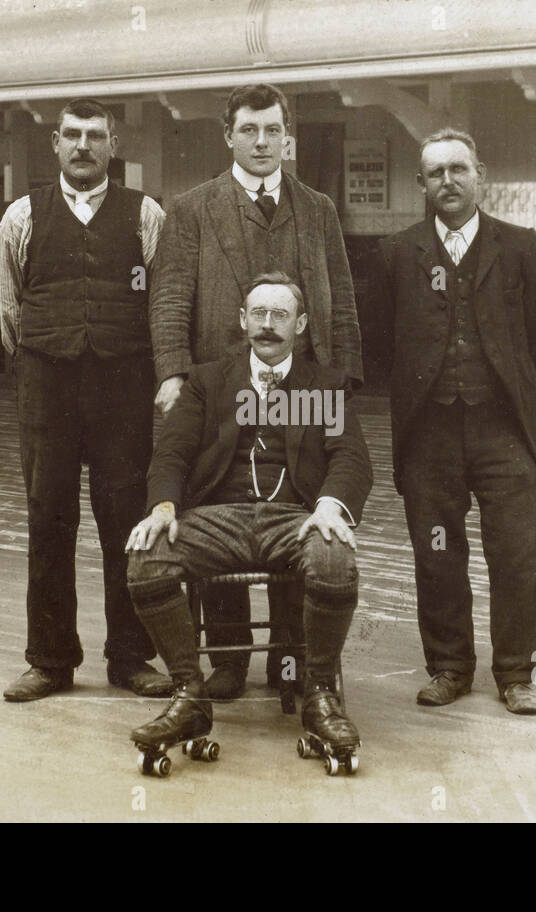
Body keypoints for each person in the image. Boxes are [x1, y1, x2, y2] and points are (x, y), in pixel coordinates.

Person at [149, 83, 364, 699]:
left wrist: (341, 382)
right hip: (218, 392)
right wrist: (171, 373)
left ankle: (291, 663)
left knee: (294, 497)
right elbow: (168, 298)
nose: (262, 141)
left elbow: (341, 301)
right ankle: (229, 663)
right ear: (229, 136)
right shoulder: (192, 208)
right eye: (249, 130)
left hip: (302, 390)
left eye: (272, 130)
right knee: (223, 491)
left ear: (287, 137)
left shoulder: (318, 207)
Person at [125, 273, 372, 760]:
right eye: (258, 314)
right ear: (242, 320)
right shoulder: (208, 380)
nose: (267, 325)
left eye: (280, 315)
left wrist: (327, 505)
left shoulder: (324, 386)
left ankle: (320, 695)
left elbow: (351, 457)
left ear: (300, 324)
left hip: (294, 519)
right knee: (146, 556)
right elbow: (172, 451)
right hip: (219, 516)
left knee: (334, 558)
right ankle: (189, 694)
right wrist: (164, 506)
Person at [375, 127, 536, 714]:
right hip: (429, 433)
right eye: (436, 173)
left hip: (504, 432)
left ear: (481, 175)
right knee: (436, 553)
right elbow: (382, 341)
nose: (448, 181)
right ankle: (450, 667)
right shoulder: (397, 253)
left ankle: (515, 674)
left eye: (459, 169)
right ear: (422, 184)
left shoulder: (519, 246)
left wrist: (507, 385)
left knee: (515, 555)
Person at [0, 97, 171, 701]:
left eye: (96, 136)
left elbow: (163, 304)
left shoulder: (145, 215)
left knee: (128, 522)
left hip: (125, 388)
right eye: (72, 135)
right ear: (55, 143)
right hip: (48, 387)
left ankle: (130, 656)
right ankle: (50, 660)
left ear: (113, 146)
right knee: (49, 519)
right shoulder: (21, 216)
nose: (83, 146)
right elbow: (8, 309)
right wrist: (47, 353)